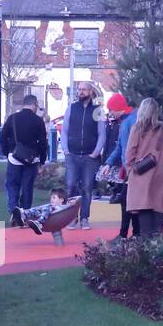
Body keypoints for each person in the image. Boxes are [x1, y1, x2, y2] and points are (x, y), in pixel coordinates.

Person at [125, 98, 163, 236]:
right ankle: (158, 252)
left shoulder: (137, 129)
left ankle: (147, 253)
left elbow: (130, 153)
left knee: (145, 222)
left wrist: (131, 171)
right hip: (161, 177)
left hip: (142, 175)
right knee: (158, 222)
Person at [0, 93, 49, 223]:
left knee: (12, 185)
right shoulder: (38, 121)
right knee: (27, 187)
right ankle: (25, 212)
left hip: (14, 157)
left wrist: (7, 152)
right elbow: (43, 143)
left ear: (23, 104)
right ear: (34, 105)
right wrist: (42, 161)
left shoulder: (12, 118)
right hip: (31, 160)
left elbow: (3, 137)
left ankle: (13, 210)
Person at [63, 81, 106, 229]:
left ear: (91, 92)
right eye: (79, 89)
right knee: (70, 186)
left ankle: (85, 218)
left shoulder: (97, 110)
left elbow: (102, 133)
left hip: (90, 157)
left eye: (84, 89)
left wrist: (96, 152)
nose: (80, 92)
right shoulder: (71, 108)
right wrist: (65, 150)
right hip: (72, 155)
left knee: (87, 187)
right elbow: (64, 131)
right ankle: (72, 218)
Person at [99, 93, 138, 237]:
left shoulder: (129, 122)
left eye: (111, 110)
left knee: (127, 202)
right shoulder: (126, 121)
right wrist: (109, 163)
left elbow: (126, 147)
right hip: (128, 167)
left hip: (131, 168)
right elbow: (120, 146)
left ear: (117, 108)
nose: (110, 113)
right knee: (126, 202)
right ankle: (129, 233)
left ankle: (128, 234)